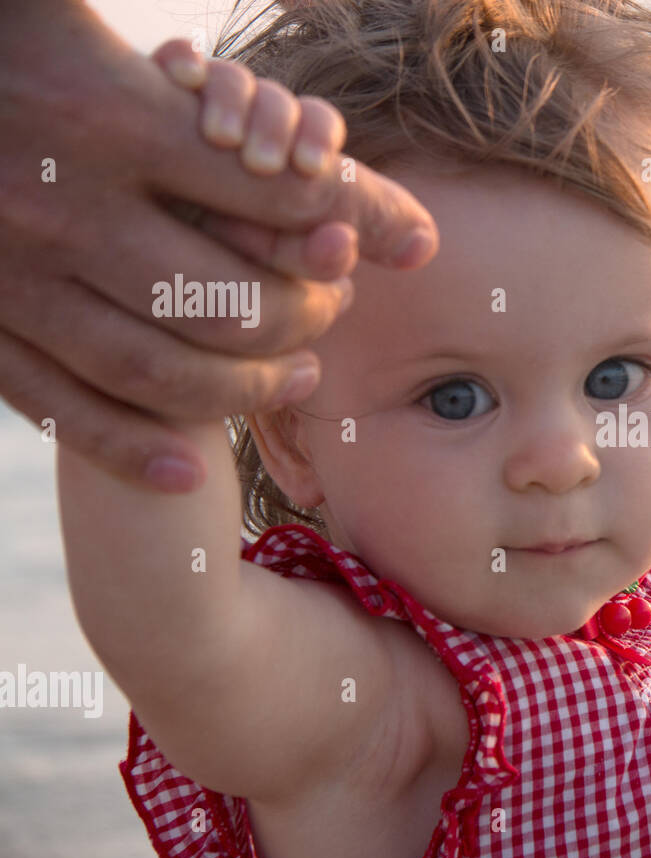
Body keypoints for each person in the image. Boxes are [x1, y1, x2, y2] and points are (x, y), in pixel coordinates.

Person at [61, 0, 651, 858]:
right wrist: (152, 337)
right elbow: (175, 631)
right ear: (296, 440)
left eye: (613, 379)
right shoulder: (376, 701)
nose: (562, 460)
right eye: (456, 398)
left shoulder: (641, 643)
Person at [0, 0, 438, 494]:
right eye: (455, 399)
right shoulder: (271, 577)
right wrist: (171, 269)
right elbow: (161, 552)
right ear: (292, 438)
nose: (546, 464)